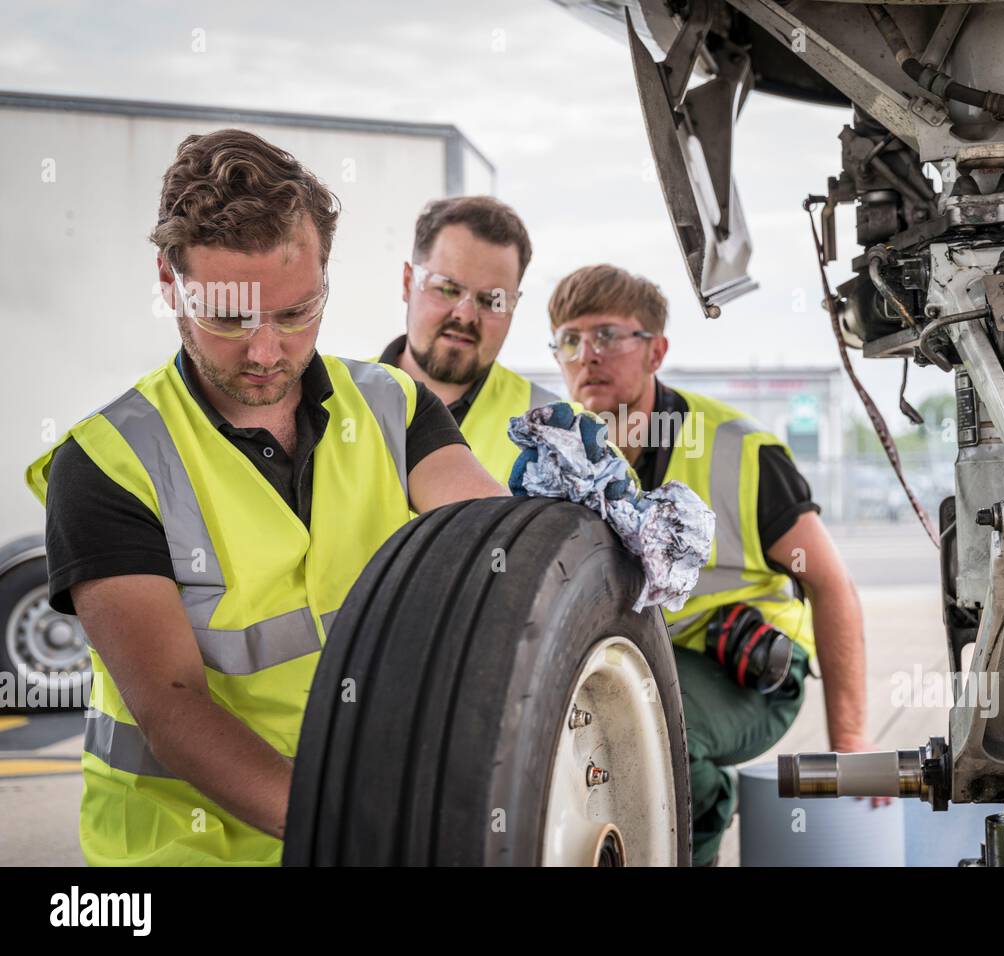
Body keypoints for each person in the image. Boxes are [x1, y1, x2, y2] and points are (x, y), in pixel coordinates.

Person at [24, 129, 504, 866]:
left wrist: (575, 537)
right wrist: (345, 829)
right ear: (168, 279)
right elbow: (170, 706)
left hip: (355, 803)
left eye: (295, 313)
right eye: (226, 317)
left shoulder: (394, 405)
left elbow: (489, 544)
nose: (264, 352)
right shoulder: (106, 464)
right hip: (183, 841)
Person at [548, 264, 875, 866]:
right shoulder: (558, 457)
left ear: (657, 351)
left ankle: (698, 828)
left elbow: (830, 584)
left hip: (749, 667)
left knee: (656, 733)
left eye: (608, 336)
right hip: (640, 660)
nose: (587, 355)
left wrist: (849, 743)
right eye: (570, 340)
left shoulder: (737, 449)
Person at [377, 196, 559, 483]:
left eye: (492, 300)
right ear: (407, 283)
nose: (466, 315)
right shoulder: (329, 401)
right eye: (448, 289)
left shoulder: (557, 429)